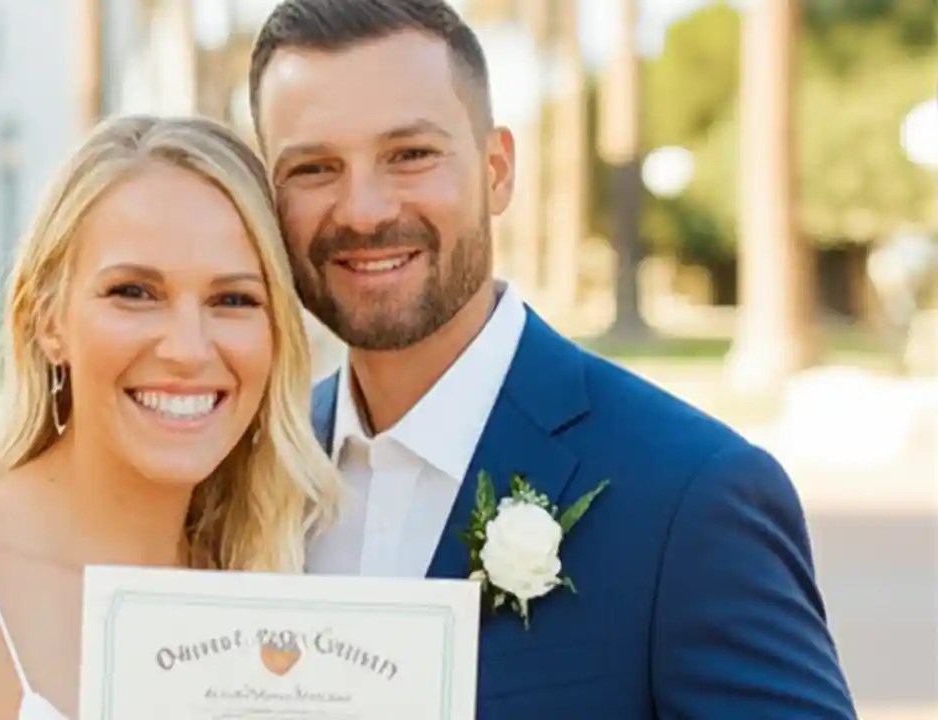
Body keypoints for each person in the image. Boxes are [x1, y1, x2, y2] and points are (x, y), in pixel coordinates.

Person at [248, 0, 857, 717]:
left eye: (409, 155)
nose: (364, 210)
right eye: (314, 168)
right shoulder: (254, 474)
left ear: (497, 169)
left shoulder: (690, 497)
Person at [0, 115, 342, 719]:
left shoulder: (274, 584)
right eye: (134, 292)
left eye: (233, 300)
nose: (188, 349)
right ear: (46, 319)